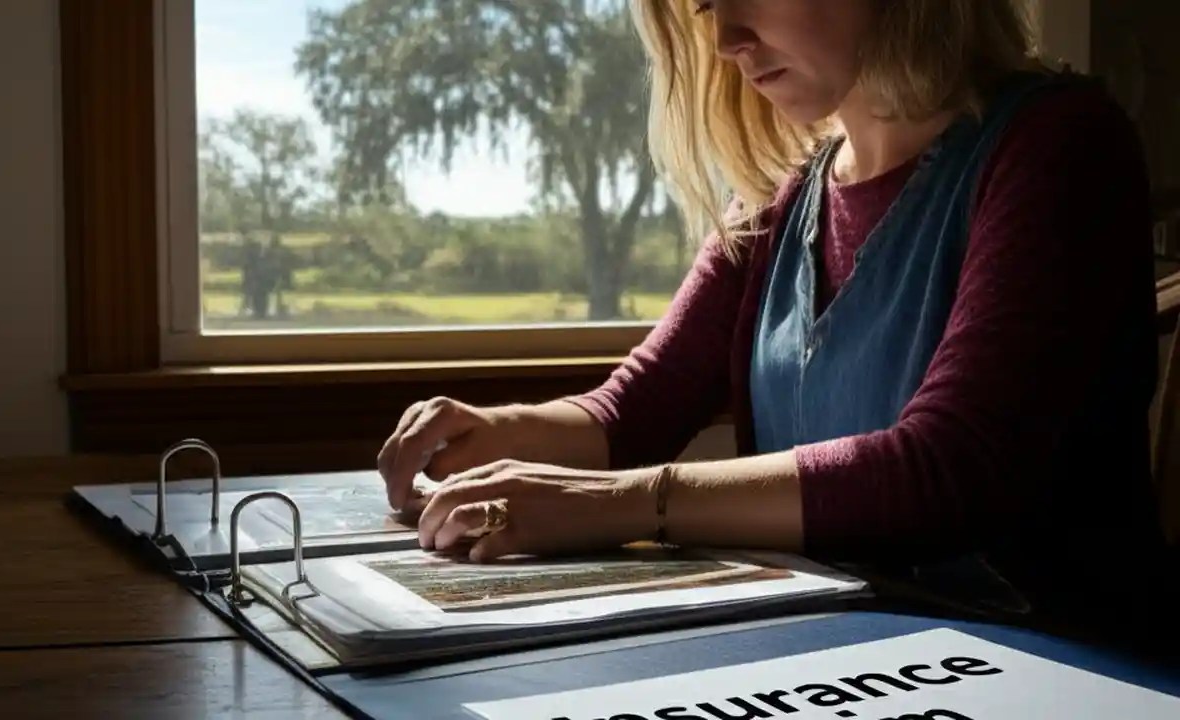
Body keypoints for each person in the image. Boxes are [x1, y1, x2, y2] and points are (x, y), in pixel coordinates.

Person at [377, 0, 1175, 642]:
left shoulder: (1060, 145)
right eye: (702, 8)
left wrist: (617, 502)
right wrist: (492, 430)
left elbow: (947, 470)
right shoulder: (785, 191)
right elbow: (637, 408)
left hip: (1060, 666)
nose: (726, 37)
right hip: (836, 655)